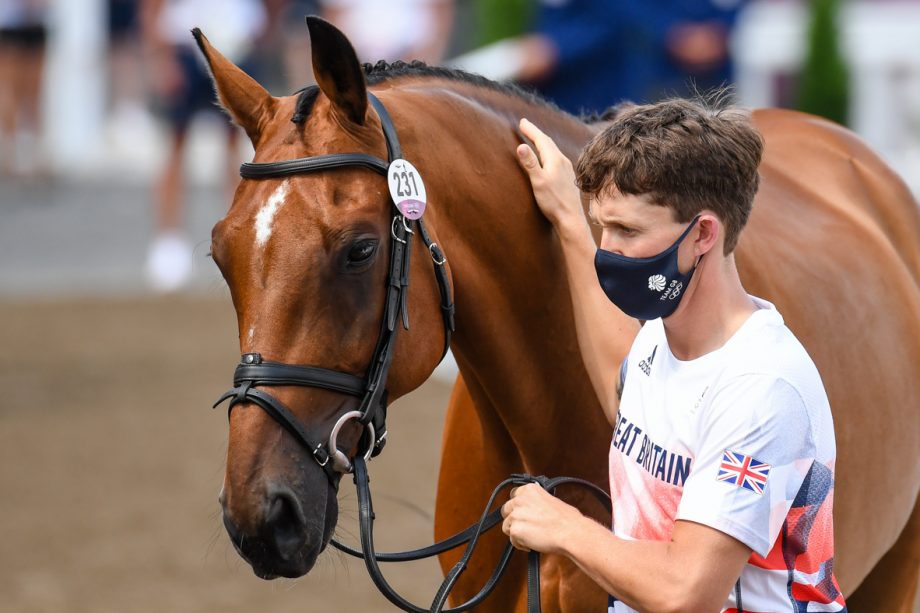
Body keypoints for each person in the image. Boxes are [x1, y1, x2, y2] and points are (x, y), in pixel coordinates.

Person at [501, 99, 847, 612]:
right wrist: (570, 222)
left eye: (629, 232)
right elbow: (630, 408)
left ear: (704, 233)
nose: (609, 250)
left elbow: (685, 593)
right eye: (604, 227)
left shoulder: (761, 388)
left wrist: (565, 527)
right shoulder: (662, 338)